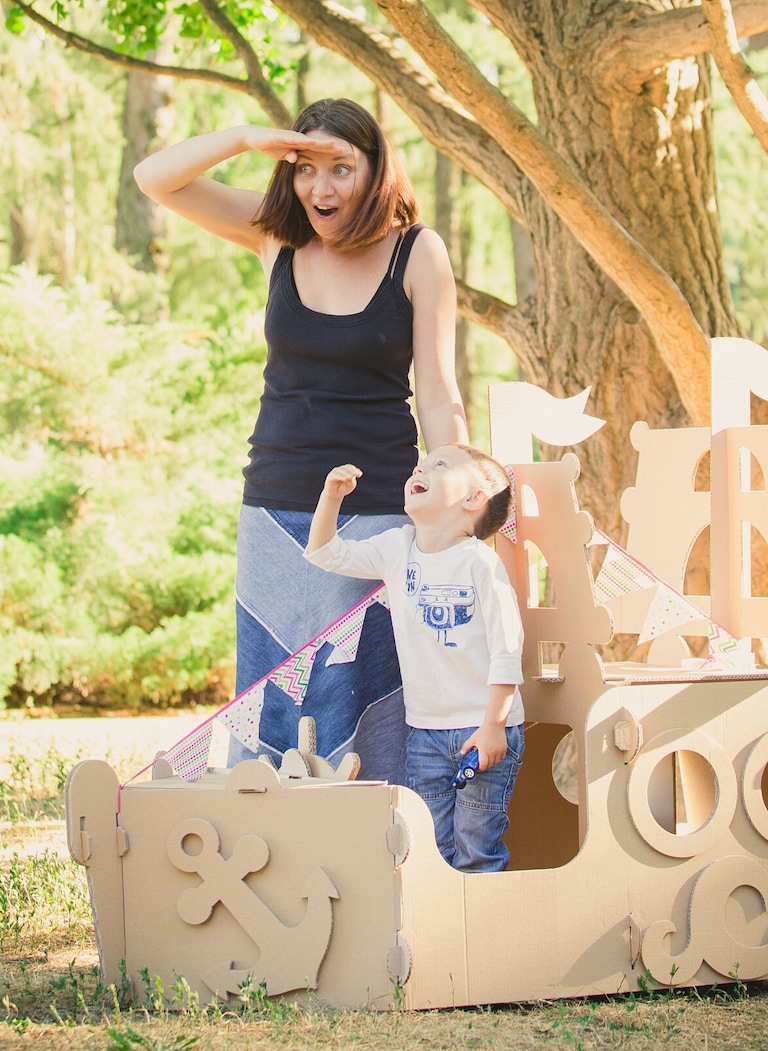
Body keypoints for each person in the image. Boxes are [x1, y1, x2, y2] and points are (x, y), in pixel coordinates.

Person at [134, 98, 467, 781]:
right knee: (272, 703)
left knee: (369, 695)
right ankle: (275, 859)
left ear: (376, 171)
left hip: (376, 513)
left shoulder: (417, 251)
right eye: (306, 168)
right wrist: (245, 137)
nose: (322, 187)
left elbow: (437, 393)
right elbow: (154, 178)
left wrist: (454, 505)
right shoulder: (275, 236)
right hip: (276, 509)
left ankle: (377, 860)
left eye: (340, 168)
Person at [305, 443, 525, 872]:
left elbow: (506, 648)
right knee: (433, 848)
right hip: (424, 732)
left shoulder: (480, 563)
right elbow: (324, 553)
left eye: (439, 464)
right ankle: (441, 933)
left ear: (473, 499)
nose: (419, 467)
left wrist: (494, 726)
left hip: (484, 728)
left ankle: (482, 932)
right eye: (420, 464)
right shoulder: (397, 548)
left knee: (476, 844)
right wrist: (331, 497)